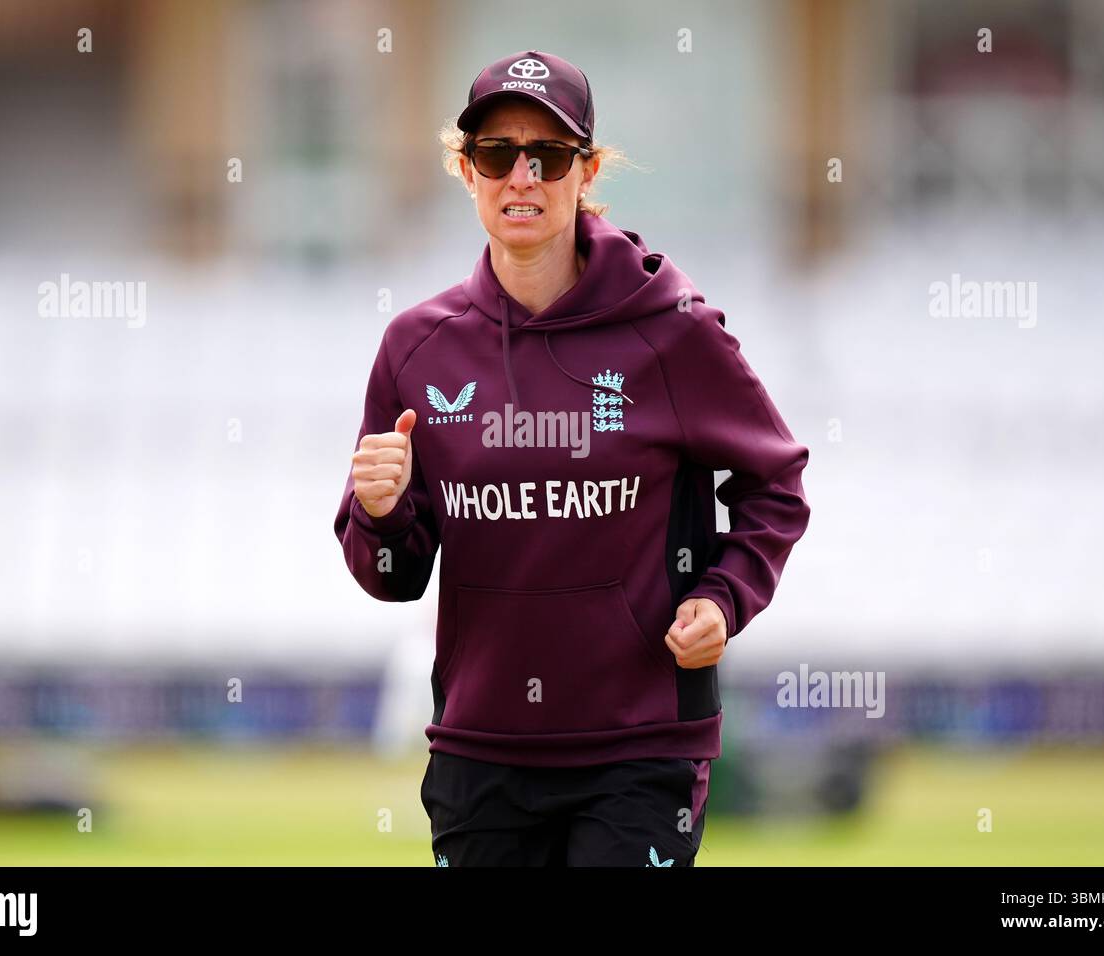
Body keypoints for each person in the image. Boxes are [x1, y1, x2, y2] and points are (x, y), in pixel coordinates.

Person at [334, 49, 810, 866]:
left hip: (641, 744)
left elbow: (777, 483)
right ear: (466, 169)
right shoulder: (416, 348)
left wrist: (725, 599)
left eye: (548, 156)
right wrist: (378, 512)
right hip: (480, 749)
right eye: (495, 155)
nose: (521, 176)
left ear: (586, 172)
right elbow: (393, 575)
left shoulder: (675, 330)